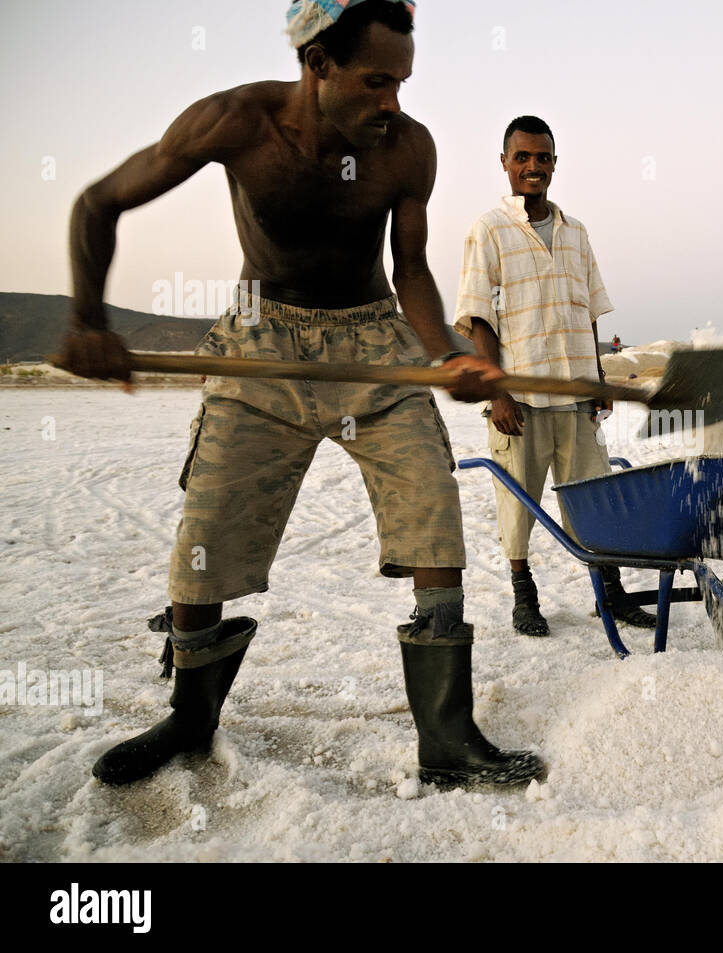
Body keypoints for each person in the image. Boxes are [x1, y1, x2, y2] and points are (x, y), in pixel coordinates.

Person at [54, 0, 543, 787]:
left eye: (403, 84)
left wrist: (448, 353)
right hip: (261, 347)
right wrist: (85, 318)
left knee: (432, 511)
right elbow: (97, 203)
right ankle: (189, 716)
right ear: (317, 64)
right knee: (205, 539)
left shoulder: (409, 148)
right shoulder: (235, 122)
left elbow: (411, 271)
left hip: (375, 343)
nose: (393, 105)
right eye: (375, 82)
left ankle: (447, 736)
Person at [454, 115, 655, 636]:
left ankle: (609, 594)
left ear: (554, 164)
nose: (532, 167)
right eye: (522, 158)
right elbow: (480, 318)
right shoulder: (489, 230)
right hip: (519, 401)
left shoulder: (575, 232)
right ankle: (525, 596)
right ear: (504, 163)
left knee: (594, 501)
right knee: (518, 506)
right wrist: (498, 395)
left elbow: (587, 312)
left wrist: (594, 381)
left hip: (574, 397)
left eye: (542, 158)